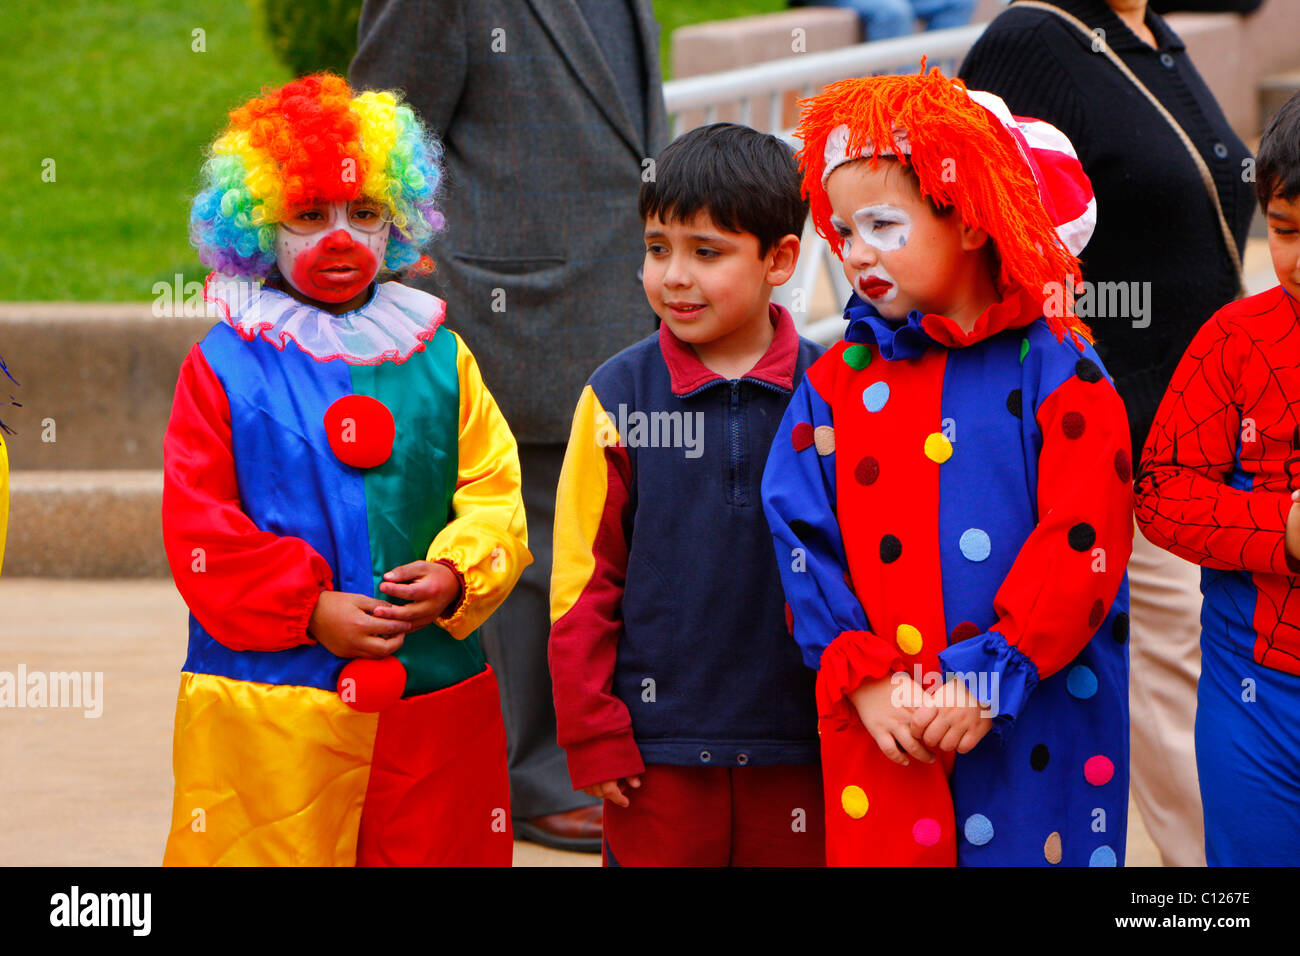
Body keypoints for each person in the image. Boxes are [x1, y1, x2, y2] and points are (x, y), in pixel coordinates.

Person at [762, 70, 1133, 865]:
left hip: (1035, 716)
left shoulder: (1061, 368)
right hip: (886, 726)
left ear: (968, 220)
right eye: (846, 232)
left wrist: (990, 676)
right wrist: (861, 677)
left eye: (883, 225)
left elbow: (1085, 538)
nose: (857, 253)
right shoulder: (835, 382)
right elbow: (798, 527)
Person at [161, 75, 529, 866]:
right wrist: (307, 607)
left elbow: (494, 492)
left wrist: (456, 576)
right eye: (308, 215)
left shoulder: (439, 354)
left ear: (397, 220)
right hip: (274, 703)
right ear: (258, 225)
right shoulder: (223, 366)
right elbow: (199, 526)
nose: (341, 239)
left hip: (430, 692)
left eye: (364, 215)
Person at [351, 0, 668, 852]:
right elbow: (380, 139)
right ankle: (530, 775)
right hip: (508, 306)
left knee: (600, 535)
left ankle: (589, 751)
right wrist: (407, 292)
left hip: (617, 293)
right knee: (525, 539)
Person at [959, 0, 1255, 868]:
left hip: (1207, 429)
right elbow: (980, 228)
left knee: (1206, 667)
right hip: (1116, 431)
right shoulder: (1030, 39)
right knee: (1172, 678)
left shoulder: (1152, 34)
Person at [548, 123, 827, 866]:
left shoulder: (836, 390)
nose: (674, 275)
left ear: (780, 259)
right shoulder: (615, 395)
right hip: (654, 753)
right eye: (656, 246)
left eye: (707, 252)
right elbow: (582, 580)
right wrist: (593, 731)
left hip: (804, 745)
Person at [1134, 92, 1300, 866]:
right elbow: (1162, 492)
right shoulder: (1235, 339)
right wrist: (1282, 530)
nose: (1297, 258)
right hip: (1255, 691)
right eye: (1286, 231)